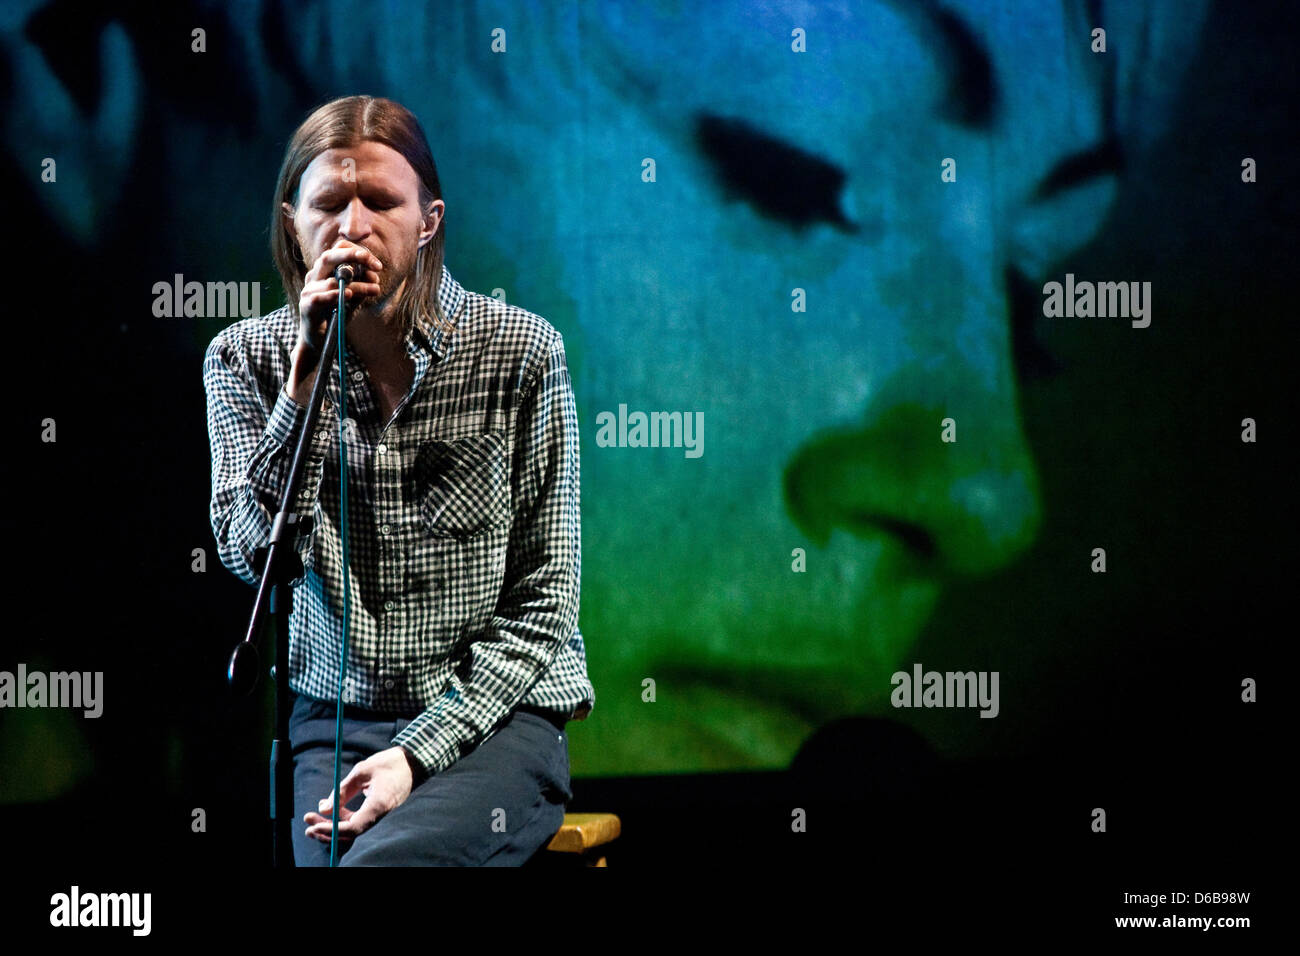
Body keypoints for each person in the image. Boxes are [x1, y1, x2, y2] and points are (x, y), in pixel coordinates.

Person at [203, 95, 594, 866]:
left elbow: (546, 602)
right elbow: (255, 558)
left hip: (491, 720)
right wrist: (305, 386)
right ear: (292, 222)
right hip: (337, 721)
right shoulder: (243, 359)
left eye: (380, 202)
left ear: (428, 221)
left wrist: (418, 754)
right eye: (328, 205)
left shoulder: (519, 353)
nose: (352, 227)